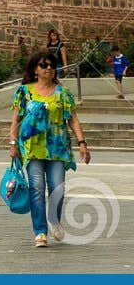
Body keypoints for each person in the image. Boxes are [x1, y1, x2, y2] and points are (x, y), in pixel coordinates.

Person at [8, 51, 91, 248]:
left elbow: (72, 119)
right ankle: (40, 232)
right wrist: (12, 143)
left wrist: (82, 143)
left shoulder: (63, 93)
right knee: (36, 188)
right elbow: (16, 120)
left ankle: (54, 221)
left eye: (52, 65)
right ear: (35, 69)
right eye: (44, 65)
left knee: (57, 187)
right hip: (31, 148)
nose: (49, 69)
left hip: (57, 148)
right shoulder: (24, 92)